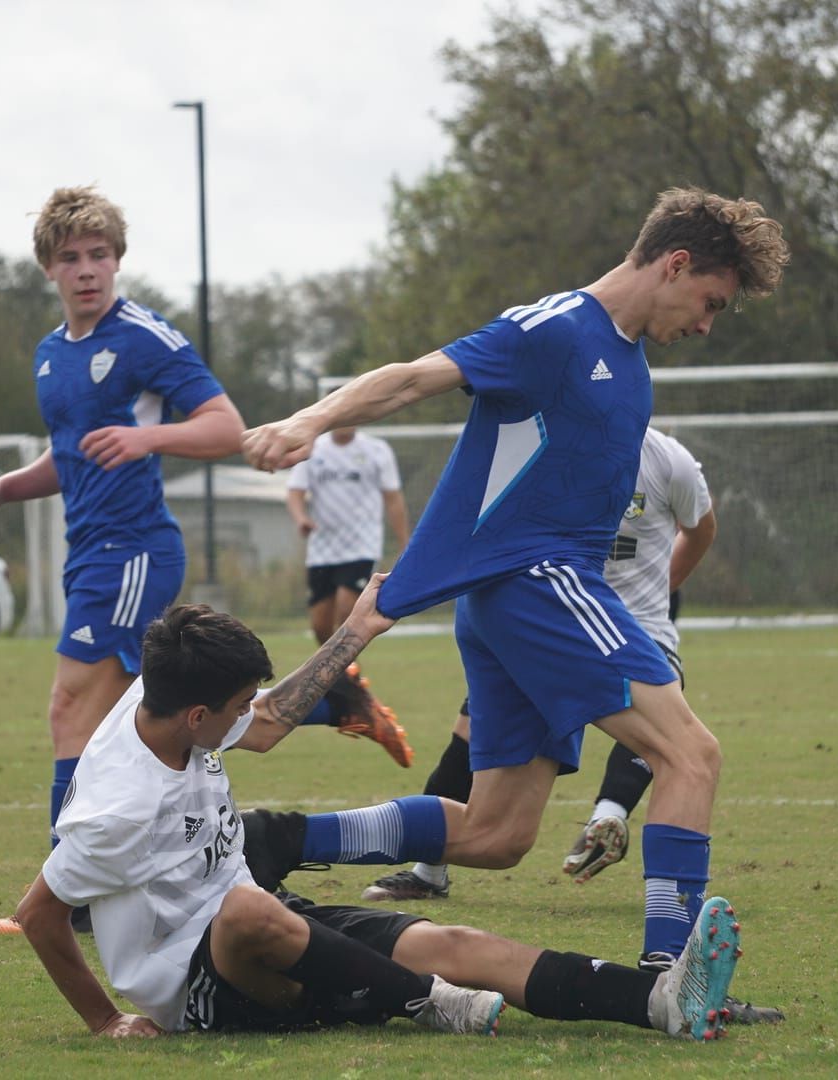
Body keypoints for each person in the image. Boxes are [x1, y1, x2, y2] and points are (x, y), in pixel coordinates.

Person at [242, 189, 788, 975]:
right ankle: (672, 978)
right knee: (690, 756)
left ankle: (277, 840)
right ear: (674, 265)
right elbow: (411, 377)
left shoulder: (630, 364)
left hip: (520, 601)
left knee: (496, 835)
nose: (706, 324)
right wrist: (308, 422)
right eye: (711, 302)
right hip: (541, 585)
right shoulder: (555, 329)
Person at [16, 585, 763, 1042]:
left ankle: (659, 1002)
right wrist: (106, 1020)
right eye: (237, 706)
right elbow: (40, 915)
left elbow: (274, 718)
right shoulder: (115, 808)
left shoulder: (166, 701)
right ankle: (429, 1003)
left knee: (457, 939)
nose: (252, 717)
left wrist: (359, 632)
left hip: (273, 920)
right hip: (207, 986)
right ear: (198, 714)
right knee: (248, 913)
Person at [0, 186, 395, 934]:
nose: (87, 270)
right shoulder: (52, 354)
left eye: (99, 255)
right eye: (71, 258)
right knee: (153, 716)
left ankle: (67, 901)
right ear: (49, 270)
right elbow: (74, 456)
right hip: (91, 552)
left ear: (118, 261)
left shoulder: (144, 338)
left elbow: (226, 427)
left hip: (131, 552)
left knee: (70, 711)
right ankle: (331, 702)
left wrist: (146, 439)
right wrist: (4, 489)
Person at [363, 427, 719, 917]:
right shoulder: (550, 453)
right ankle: (428, 870)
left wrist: (665, 584)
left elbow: (702, 529)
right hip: (552, 626)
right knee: (469, 740)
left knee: (671, 732)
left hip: (639, 628)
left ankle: (608, 818)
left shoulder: (669, 463)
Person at [285, 425, 414, 767]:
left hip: (361, 544)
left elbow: (393, 498)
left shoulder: (376, 450)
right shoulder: (313, 449)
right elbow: (295, 492)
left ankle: (346, 681)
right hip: (323, 549)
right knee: (319, 624)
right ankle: (344, 675)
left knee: (348, 607)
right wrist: (301, 519)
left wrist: (407, 544)